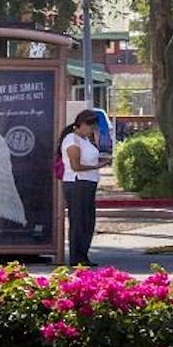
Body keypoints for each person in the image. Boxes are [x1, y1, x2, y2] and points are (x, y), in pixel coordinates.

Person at [57, 109, 112, 266]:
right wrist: (98, 166)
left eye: (93, 127)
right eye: (89, 127)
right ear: (80, 125)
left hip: (89, 183)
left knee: (88, 220)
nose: (91, 130)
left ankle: (83, 255)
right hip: (77, 182)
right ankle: (76, 256)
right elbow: (76, 166)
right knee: (79, 220)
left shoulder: (86, 140)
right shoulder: (71, 140)